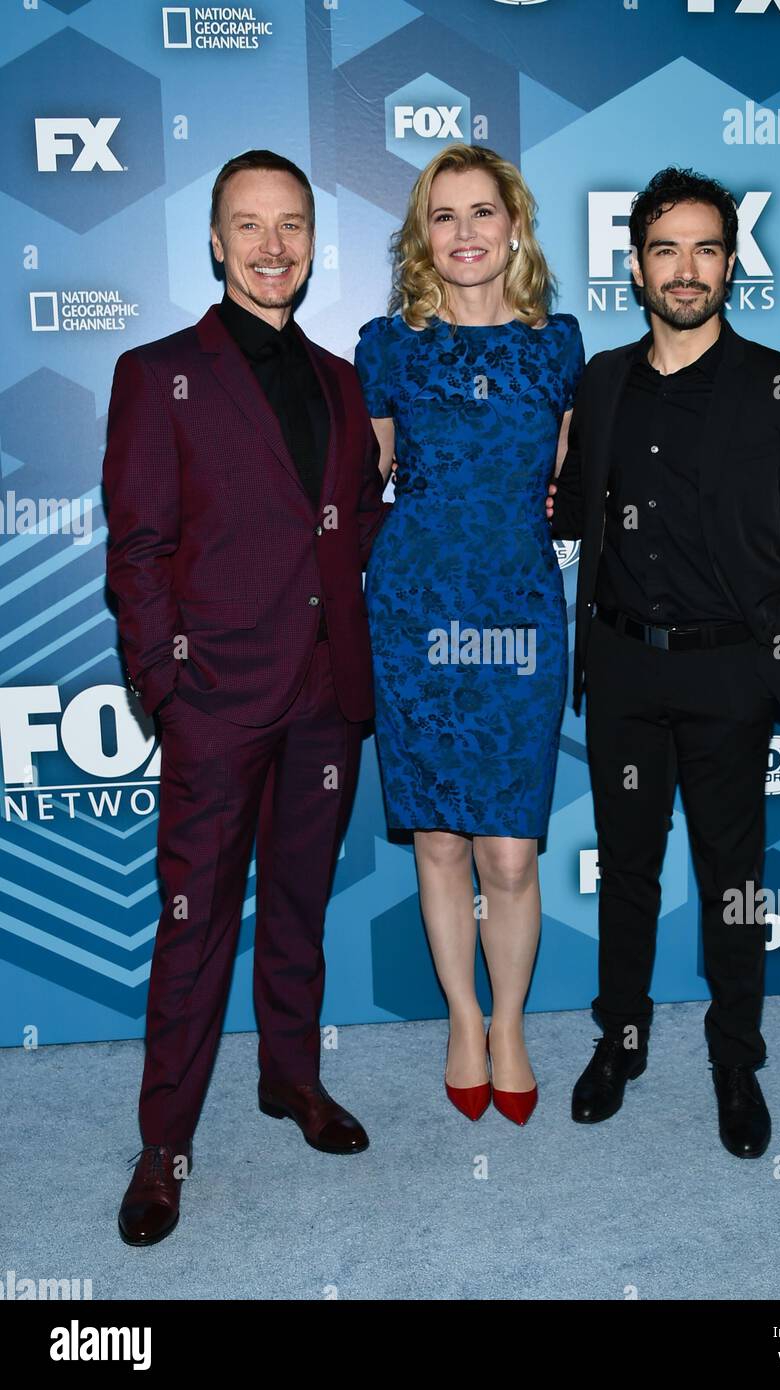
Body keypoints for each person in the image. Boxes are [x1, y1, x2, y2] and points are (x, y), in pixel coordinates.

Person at [103, 150, 389, 1245]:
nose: (274, 246)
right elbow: (137, 548)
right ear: (216, 243)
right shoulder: (157, 372)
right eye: (250, 226)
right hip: (214, 699)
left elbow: (356, 520)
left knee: (301, 911)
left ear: (314, 242)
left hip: (325, 695)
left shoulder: (341, 379)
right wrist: (165, 685)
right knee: (193, 929)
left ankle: (290, 1080)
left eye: (293, 226)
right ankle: (165, 1143)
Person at [547, 166, 780, 1158]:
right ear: (636, 267)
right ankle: (621, 1043)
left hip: (732, 677)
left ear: (732, 263)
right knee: (627, 869)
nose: (686, 269)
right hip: (627, 669)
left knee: (735, 880)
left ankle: (735, 1060)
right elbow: (570, 508)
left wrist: (777, 663)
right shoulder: (600, 382)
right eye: (665, 249)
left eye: (706, 248)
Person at [354, 144, 584, 1126]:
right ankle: (461, 1018)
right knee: (440, 838)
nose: (464, 234)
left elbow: (571, 482)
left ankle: (513, 1024)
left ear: (515, 226)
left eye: (482, 212)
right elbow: (368, 484)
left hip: (519, 614)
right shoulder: (388, 345)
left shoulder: (557, 345)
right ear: (421, 235)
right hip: (415, 611)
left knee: (511, 854)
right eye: (442, 216)